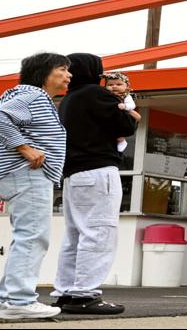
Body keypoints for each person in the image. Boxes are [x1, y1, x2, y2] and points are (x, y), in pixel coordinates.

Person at [0, 53, 71, 321]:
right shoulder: (33, 96)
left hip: (17, 174)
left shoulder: (18, 96)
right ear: (44, 73)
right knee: (33, 236)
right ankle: (18, 300)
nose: (68, 75)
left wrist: (5, 156)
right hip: (28, 174)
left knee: (27, 236)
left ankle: (9, 300)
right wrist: (24, 150)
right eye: (62, 69)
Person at [51, 53, 138, 315]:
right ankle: (84, 294)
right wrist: (127, 111)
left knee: (74, 237)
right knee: (99, 232)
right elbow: (126, 124)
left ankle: (65, 292)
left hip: (73, 175)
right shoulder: (95, 94)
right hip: (98, 171)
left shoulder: (68, 100)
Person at [101, 71, 136, 156]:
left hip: (121, 116)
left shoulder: (126, 96)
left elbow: (132, 105)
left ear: (126, 86)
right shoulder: (105, 95)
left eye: (119, 84)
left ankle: (121, 140)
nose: (114, 86)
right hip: (109, 116)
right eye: (110, 85)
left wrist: (125, 106)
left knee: (118, 129)